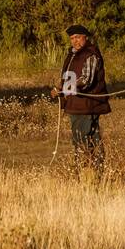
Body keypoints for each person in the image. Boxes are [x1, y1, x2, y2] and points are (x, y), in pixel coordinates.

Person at [50, 25, 110, 169]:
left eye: (78, 37)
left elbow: (86, 80)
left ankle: (86, 172)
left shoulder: (90, 54)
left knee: (83, 140)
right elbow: (70, 79)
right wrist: (59, 89)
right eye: (72, 38)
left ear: (85, 37)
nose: (75, 41)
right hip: (76, 105)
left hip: (86, 105)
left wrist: (63, 90)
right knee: (90, 140)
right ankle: (94, 173)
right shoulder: (72, 55)